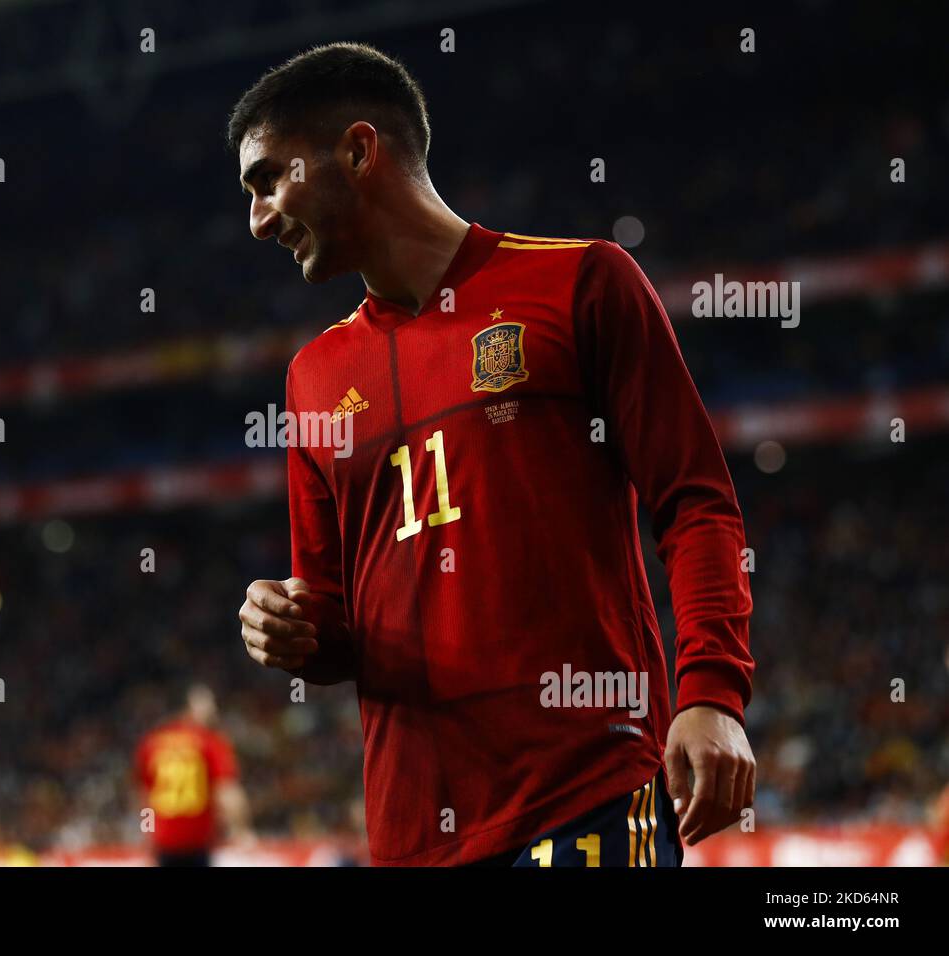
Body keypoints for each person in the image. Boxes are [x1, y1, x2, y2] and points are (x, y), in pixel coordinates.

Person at [230, 42, 755, 866]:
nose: (258, 218)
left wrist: (714, 692)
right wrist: (288, 628)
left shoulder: (582, 284)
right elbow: (334, 629)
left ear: (358, 151)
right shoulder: (312, 377)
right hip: (412, 835)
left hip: (589, 794)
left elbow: (697, 504)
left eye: (269, 179)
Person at [133, 685, 252, 866]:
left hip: (164, 844)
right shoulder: (209, 740)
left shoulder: (152, 742)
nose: (213, 709)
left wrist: (148, 833)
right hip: (197, 843)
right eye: (207, 704)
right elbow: (227, 791)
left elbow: (143, 795)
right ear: (190, 707)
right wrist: (242, 830)